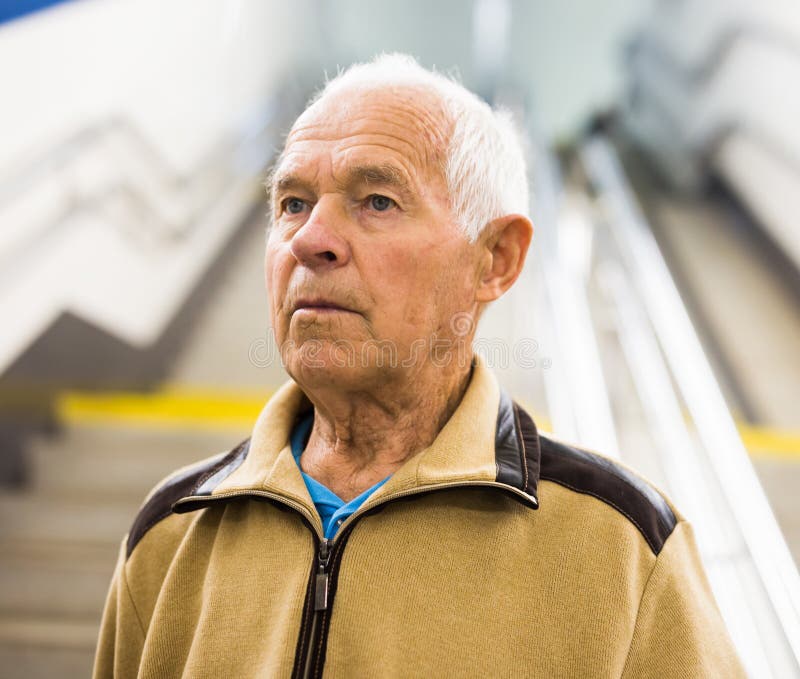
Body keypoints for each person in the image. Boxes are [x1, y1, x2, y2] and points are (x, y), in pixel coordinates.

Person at [93, 54, 746, 678]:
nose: (310, 239)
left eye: (377, 200)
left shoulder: (624, 549)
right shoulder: (172, 532)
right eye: (292, 202)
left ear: (495, 258)